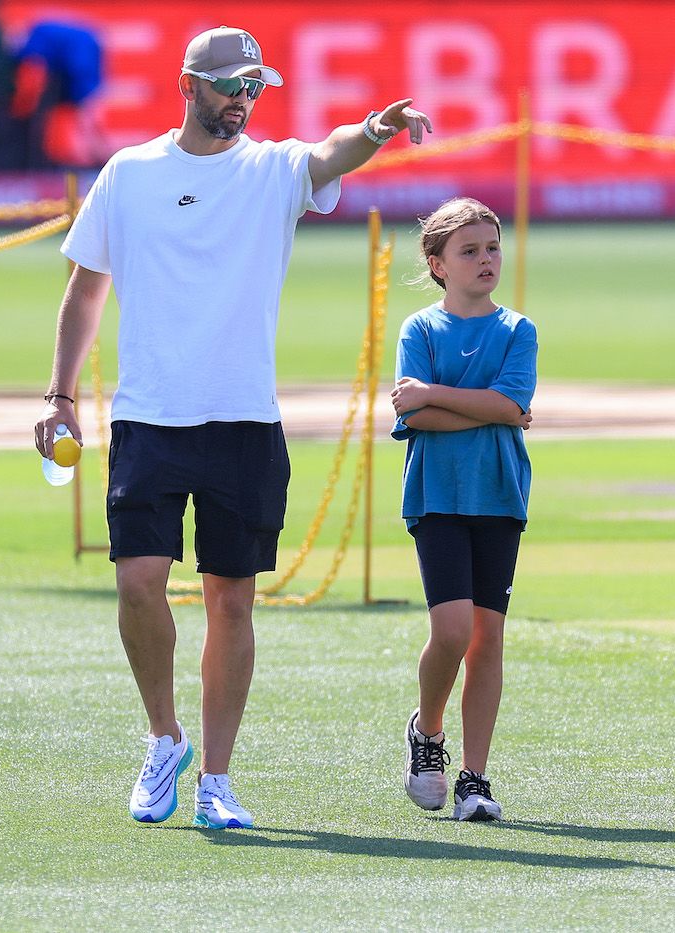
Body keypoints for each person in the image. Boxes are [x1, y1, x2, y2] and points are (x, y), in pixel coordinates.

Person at [32, 25, 432, 830]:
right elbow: (84, 291)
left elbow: (329, 154)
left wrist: (376, 130)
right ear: (188, 85)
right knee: (138, 582)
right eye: (228, 87)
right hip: (150, 417)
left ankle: (217, 777)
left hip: (244, 420)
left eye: (253, 87)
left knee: (232, 603)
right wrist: (60, 396)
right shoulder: (131, 172)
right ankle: (163, 739)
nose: (242, 101)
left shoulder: (272, 168)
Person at [390, 197, 537, 822]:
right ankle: (428, 733)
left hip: (499, 494)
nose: (486, 259)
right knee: (452, 631)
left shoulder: (517, 330)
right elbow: (410, 413)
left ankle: (474, 777)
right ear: (438, 264)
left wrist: (437, 398)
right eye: (469, 250)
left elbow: (512, 405)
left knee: (488, 638)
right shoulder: (419, 331)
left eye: (492, 247)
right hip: (437, 495)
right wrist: (480, 406)